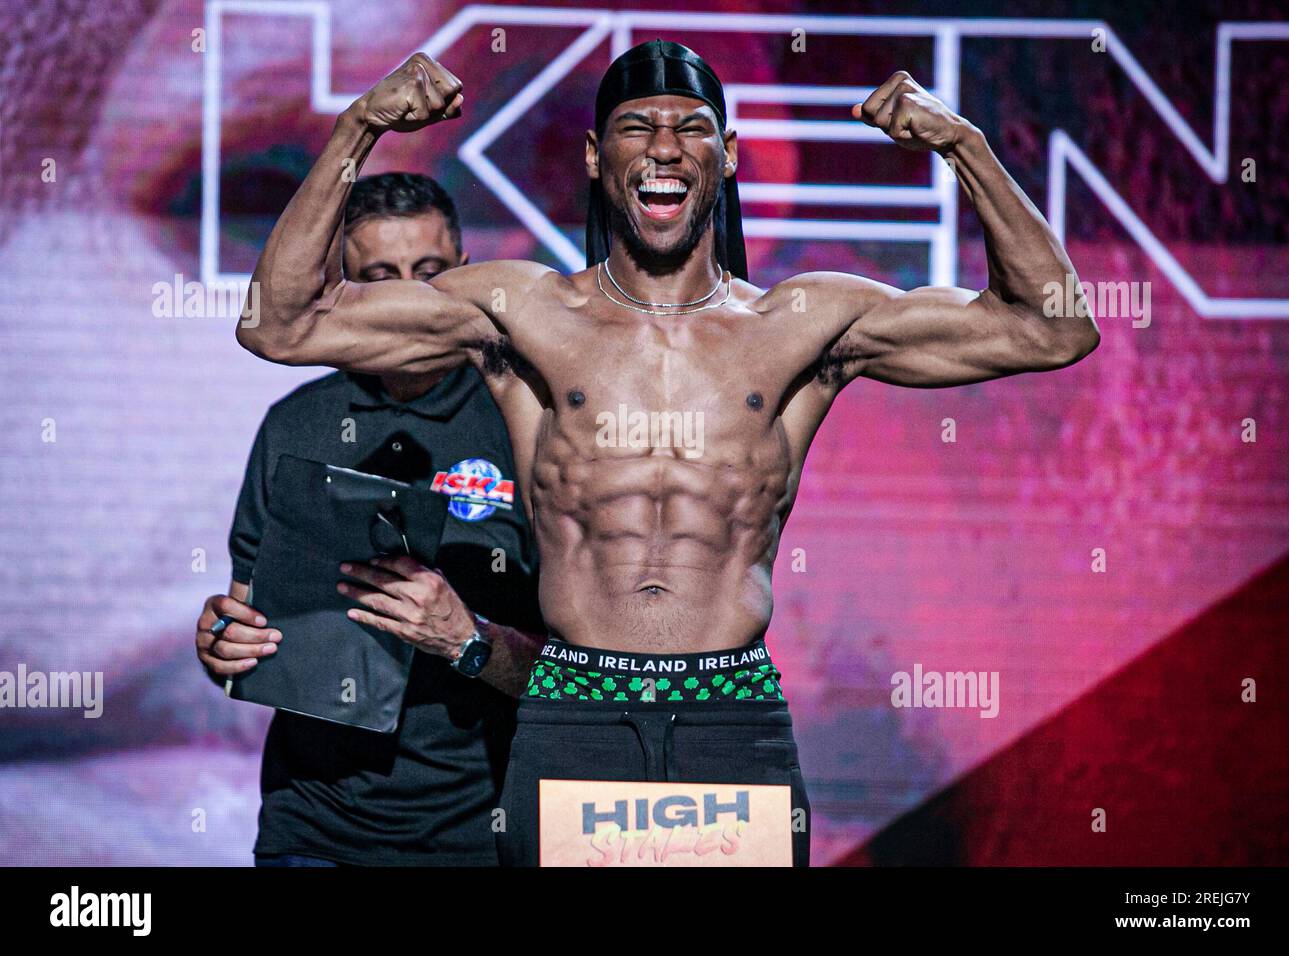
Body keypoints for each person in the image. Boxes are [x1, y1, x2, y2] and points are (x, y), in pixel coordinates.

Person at [235, 40, 1101, 866]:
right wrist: (358, 127)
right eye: (637, 127)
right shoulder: (525, 312)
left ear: (725, 155)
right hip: (574, 709)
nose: (663, 147)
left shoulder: (801, 325)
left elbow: (1052, 326)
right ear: (592, 157)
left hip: (731, 716)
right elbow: (282, 322)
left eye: (689, 128)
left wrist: (966, 144)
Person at [196, 172, 545, 866]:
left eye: (431, 272)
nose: (412, 296)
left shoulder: (530, 419)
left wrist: (467, 640)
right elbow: (247, 623)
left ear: (468, 273)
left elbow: (580, 669)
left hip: (480, 832)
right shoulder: (297, 423)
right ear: (343, 288)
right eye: (382, 275)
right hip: (314, 826)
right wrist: (223, 647)